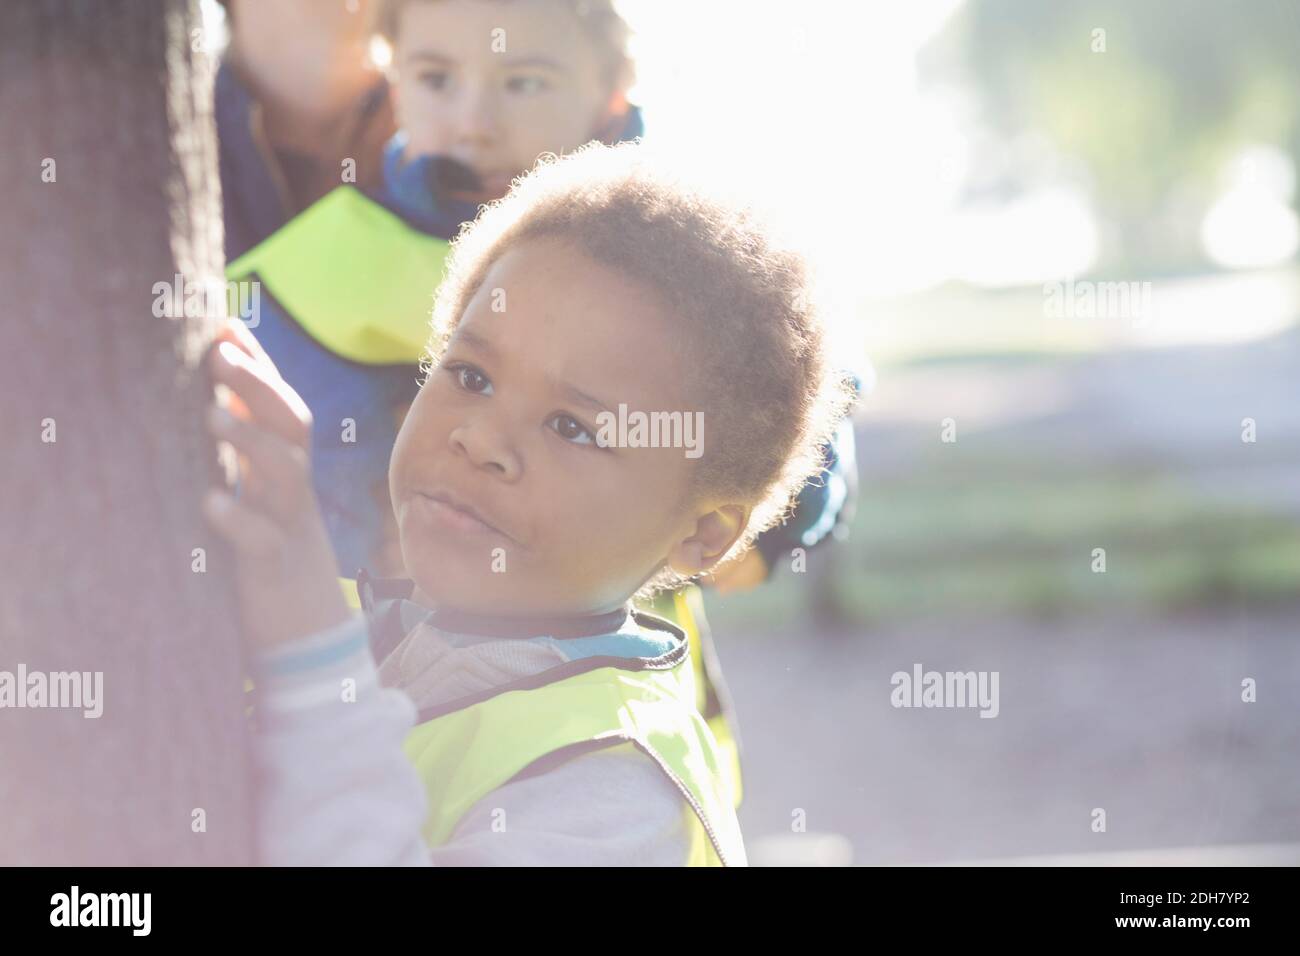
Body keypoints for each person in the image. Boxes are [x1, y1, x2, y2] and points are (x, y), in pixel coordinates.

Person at [204, 143, 856, 865]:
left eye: (573, 427)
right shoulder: (349, 622)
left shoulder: (615, 782)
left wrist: (311, 664)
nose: (481, 439)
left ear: (703, 535)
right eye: (471, 375)